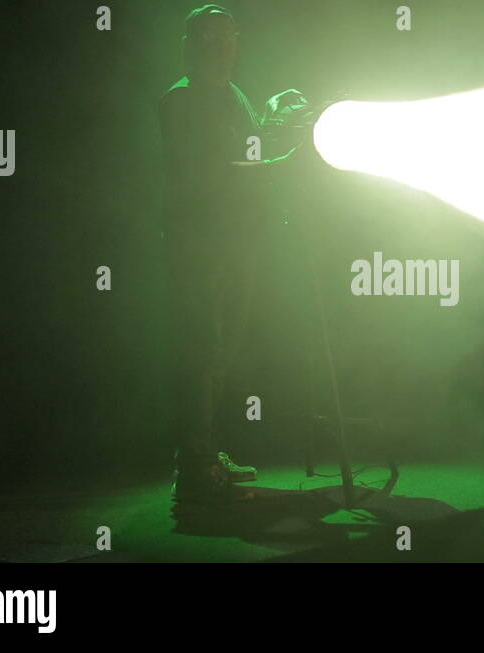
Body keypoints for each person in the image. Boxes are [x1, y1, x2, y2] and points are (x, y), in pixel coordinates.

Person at [159, 4, 279, 502]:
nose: (219, 45)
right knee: (203, 350)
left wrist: (276, 121)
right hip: (200, 244)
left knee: (223, 349)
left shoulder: (233, 94)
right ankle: (195, 463)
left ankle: (204, 452)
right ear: (189, 45)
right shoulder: (182, 100)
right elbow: (208, 171)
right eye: (207, 37)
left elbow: (248, 150)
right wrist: (277, 162)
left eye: (226, 35)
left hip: (235, 240)